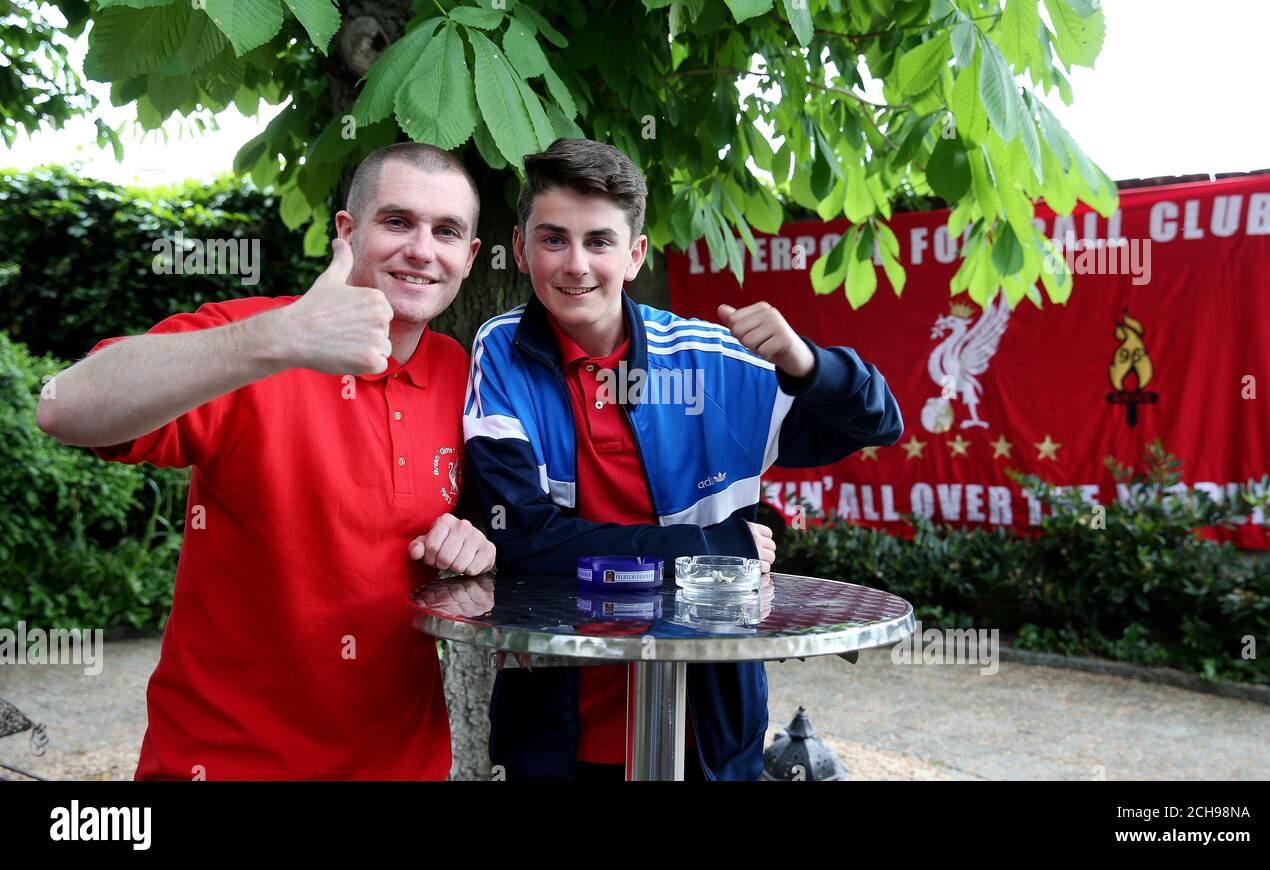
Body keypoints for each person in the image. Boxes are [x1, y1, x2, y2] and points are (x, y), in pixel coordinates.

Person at [35, 143, 495, 780]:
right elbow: (62, 407)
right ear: (347, 232)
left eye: (446, 231)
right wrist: (274, 340)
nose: (422, 249)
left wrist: (479, 544)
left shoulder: (469, 377)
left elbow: (500, 532)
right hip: (226, 763)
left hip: (402, 766)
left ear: (470, 256)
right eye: (396, 222)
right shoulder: (257, 338)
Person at [463, 138, 904, 781]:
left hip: (710, 722)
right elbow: (523, 539)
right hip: (556, 720)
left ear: (636, 254)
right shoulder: (501, 351)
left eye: (600, 241)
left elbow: (877, 420)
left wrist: (807, 363)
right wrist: (712, 549)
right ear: (522, 246)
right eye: (553, 239)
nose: (576, 264)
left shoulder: (707, 361)